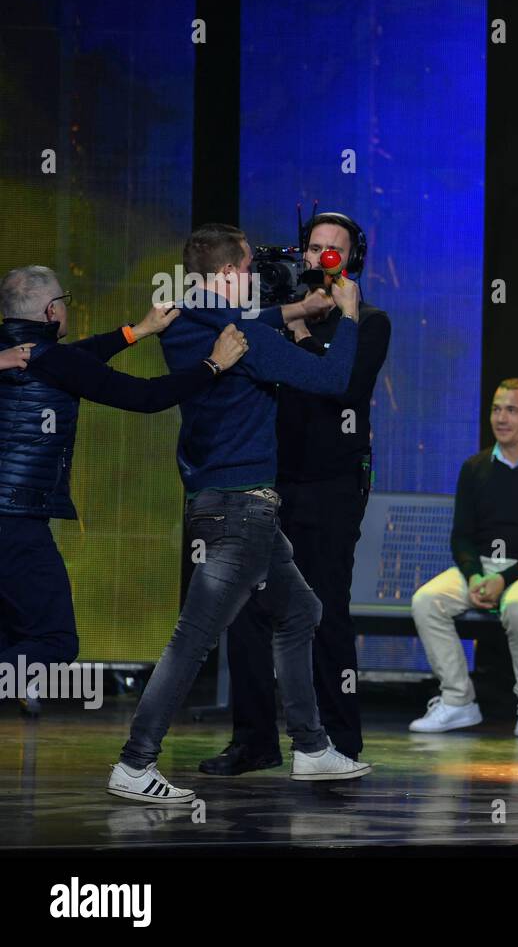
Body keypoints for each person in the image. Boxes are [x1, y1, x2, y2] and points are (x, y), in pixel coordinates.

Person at [108, 223, 372, 803]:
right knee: (191, 640)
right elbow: (331, 378)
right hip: (241, 511)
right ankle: (135, 762)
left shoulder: (186, 323)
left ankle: (310, 747)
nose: (255, 277)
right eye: (249, 269)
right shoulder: (241, 337)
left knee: (301, 609)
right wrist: (346, 316)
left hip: (223, 506)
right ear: (229, 275)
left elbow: (248, 326)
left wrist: (296, 308)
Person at [0, 265, 247, 717]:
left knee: (13, 642)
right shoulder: (51, 359)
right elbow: (146, 396)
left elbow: (76, 359)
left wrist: (137, 331)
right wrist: (213, 365)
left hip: (13, 520)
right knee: (55, 640)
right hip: (14, 522)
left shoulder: (20, 352)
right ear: (53, 311)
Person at [201, 212, 391, 776]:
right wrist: (293, 320)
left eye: (334, 251)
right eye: (313, 248)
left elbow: (343, 390)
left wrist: (308, 333)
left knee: (324, 607)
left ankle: (337, 740)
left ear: (352, 260)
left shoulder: (370, 322)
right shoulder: (274, 315)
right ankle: (254, 739)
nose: (321, 259)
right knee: (247, 606)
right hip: (272, 478)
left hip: (331, 484)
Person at [408, 378, 518, 738]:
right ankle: (458, 700)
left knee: (517, 605)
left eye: (511, 410)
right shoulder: (475, 468)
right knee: (427, 600)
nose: (501, 418)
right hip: (485, 569)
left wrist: (505, 578)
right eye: (496, 409)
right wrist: (474, 576)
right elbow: (462, 537)